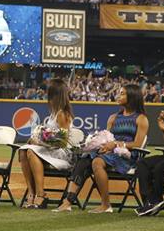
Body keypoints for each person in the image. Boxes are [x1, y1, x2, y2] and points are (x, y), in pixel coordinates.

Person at [55, 83, 149, 214]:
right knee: (84, 158)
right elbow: (107, 137)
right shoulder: (113, 118)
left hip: (127, 155)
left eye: (122, 94)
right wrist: (102, 145)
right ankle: (68, 201)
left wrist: (115, 144)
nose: (118, 96)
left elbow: (138, 144)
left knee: (97, 161)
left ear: (132, 97)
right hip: (108, 152)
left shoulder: (141, 119)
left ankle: (106, 204)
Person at [17, 78, 74, 208]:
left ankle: (41, 195)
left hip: (61, 154)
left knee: (31, 151)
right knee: (23, 150)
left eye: (49, 94)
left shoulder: (62, 114)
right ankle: (31, 193)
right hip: (50, 151)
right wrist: (38, 141)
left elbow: (63, 143)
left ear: (54, 95)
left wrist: (40, 143)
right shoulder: (54, 112)